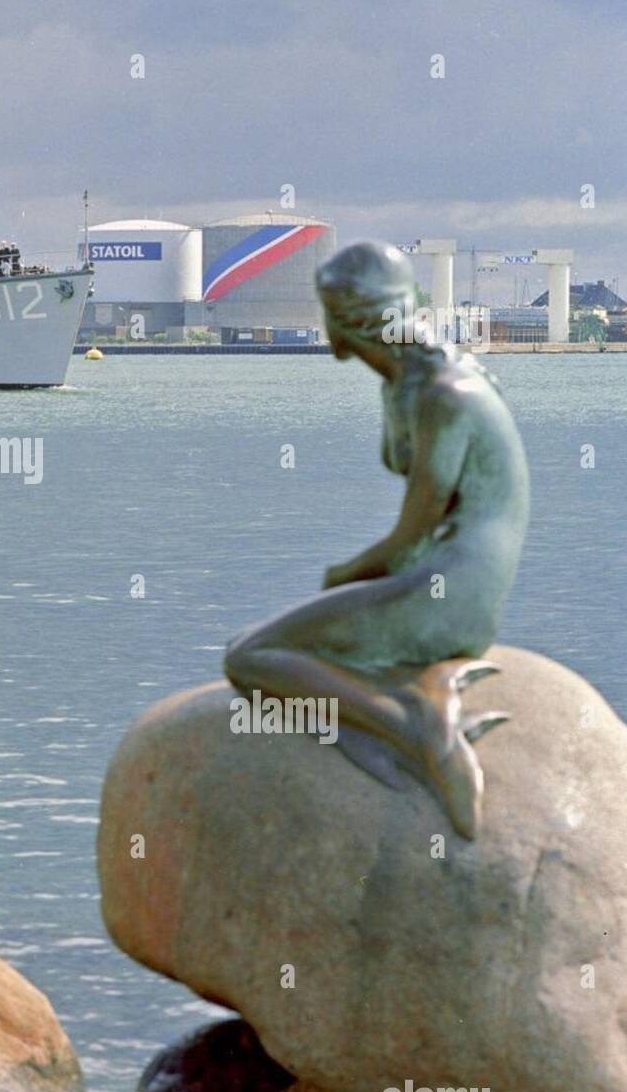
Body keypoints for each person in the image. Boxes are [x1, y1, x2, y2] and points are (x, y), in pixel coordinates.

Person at [224, 242, 530, 837]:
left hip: (454, 590)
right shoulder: (408, 385)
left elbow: (411, 538)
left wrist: (345, 576)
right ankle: (404, 711)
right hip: (439, 571)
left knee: (252, 657)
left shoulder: (445, 396)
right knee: (265, 647)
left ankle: (415, 725)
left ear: (346, 321)